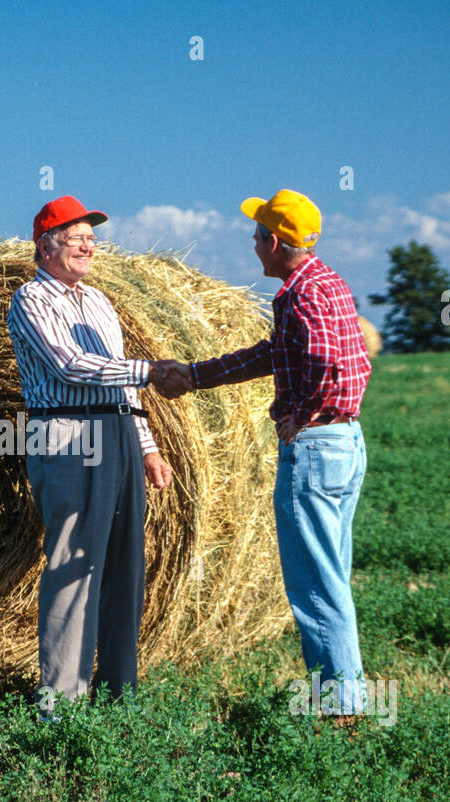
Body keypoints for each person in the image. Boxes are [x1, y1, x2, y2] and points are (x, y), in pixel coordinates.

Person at [151, 189, 372, 725]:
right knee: (332, 574)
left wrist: (305, 412)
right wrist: (195, 376)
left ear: (274, 242)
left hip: (316, 449)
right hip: (346, 445)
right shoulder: (328, 282)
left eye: (256, 236)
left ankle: (340, 707)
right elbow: (286, 354)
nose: (252, 244)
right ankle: (350, 696)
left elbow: (324, 360)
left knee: (314, 582)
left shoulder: (299, 294)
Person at [6, 194, 178, 722]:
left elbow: (118, 377)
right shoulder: (30, 298)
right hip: (66, 432)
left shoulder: (100, 301)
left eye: (91, 235)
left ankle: (116, 694)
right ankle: (60, 706)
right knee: (73, 565)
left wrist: (146, 446)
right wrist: (151, 371)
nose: (89, 244)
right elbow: (71, 367)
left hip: (118, 431)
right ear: (46, 246)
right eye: (77, 236)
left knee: (126, 564)